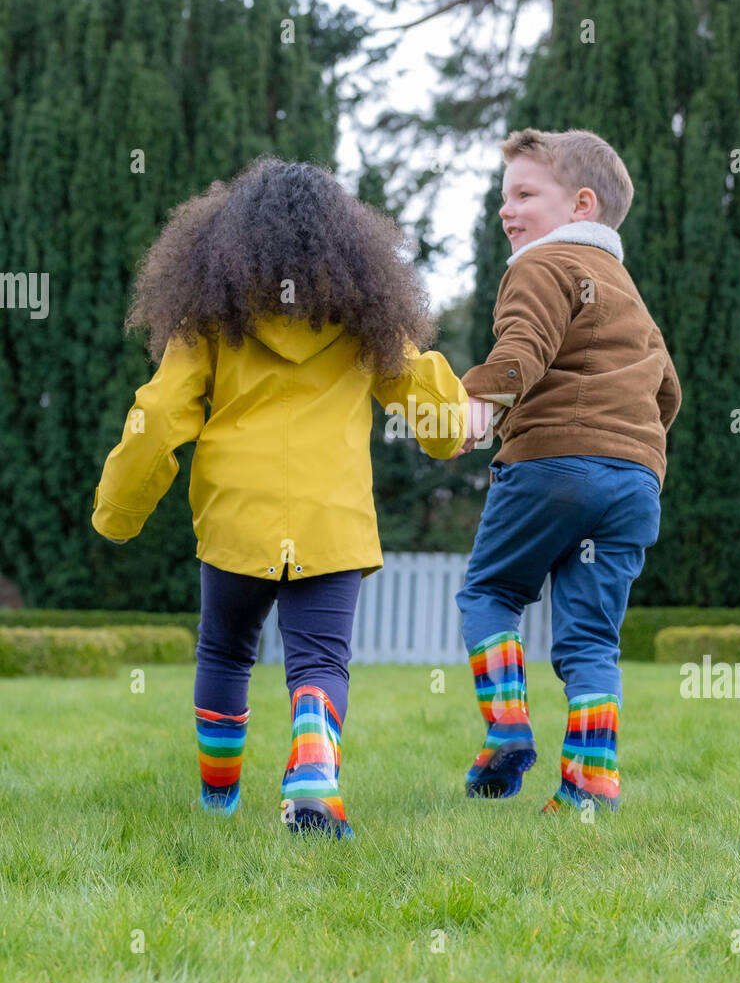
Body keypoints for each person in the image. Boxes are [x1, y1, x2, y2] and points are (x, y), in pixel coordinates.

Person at [91, 156, 486, 839]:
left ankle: (218, 802)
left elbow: (157, 415)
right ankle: (312, 780)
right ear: (343, 240)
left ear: (227, 238)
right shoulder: (365, 319)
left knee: (224, 652)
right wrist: (456, 423)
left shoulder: (209, 317)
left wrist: (119, 510)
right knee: (320, 661)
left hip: (236, 515)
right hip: (330, 517)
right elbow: (431, 409)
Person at [455, 127, 682, 816]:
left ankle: (506, 726)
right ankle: (588, 784)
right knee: (589, 637)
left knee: (489, 592)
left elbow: (522, 347)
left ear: (581, 205)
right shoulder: (628, 292)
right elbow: (667, 392)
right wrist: (627, 447)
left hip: (550, 466)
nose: (506, 209)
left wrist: (477, 403)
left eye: (524, 193)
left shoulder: (539, 267)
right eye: (503, 197)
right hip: (634, 483)